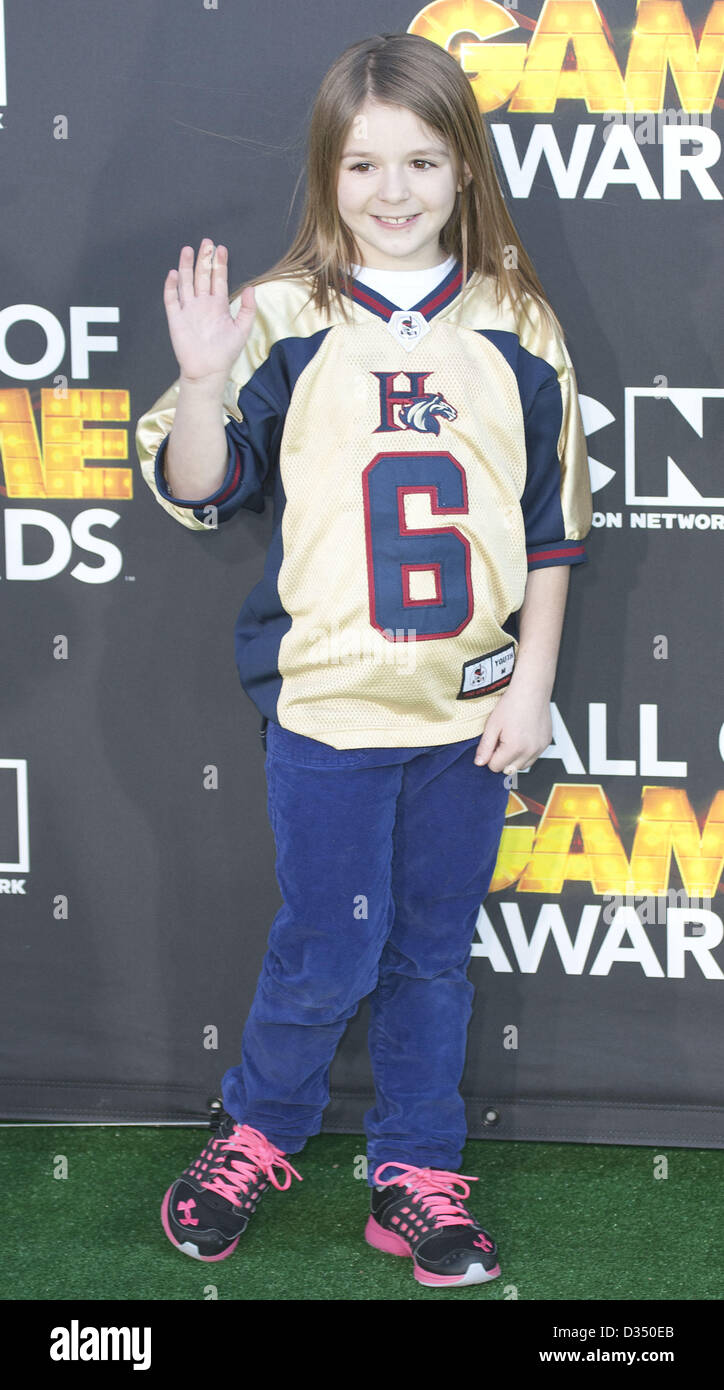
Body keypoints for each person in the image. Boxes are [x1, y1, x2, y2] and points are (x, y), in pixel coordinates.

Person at [135, 31, 592, 1290]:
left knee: (434, 948)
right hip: (332, 708)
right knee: (330, 947)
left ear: (463, 172)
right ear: (327, 175)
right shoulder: (279, 316)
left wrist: (533, 685)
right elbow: (205, 485)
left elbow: (550, 534)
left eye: (421, 162)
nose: (393, 192)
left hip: (470, 712)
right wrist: (198, 384)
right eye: (363, 165)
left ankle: (417, 1170)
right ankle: (258, 1132)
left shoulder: (517, 324)